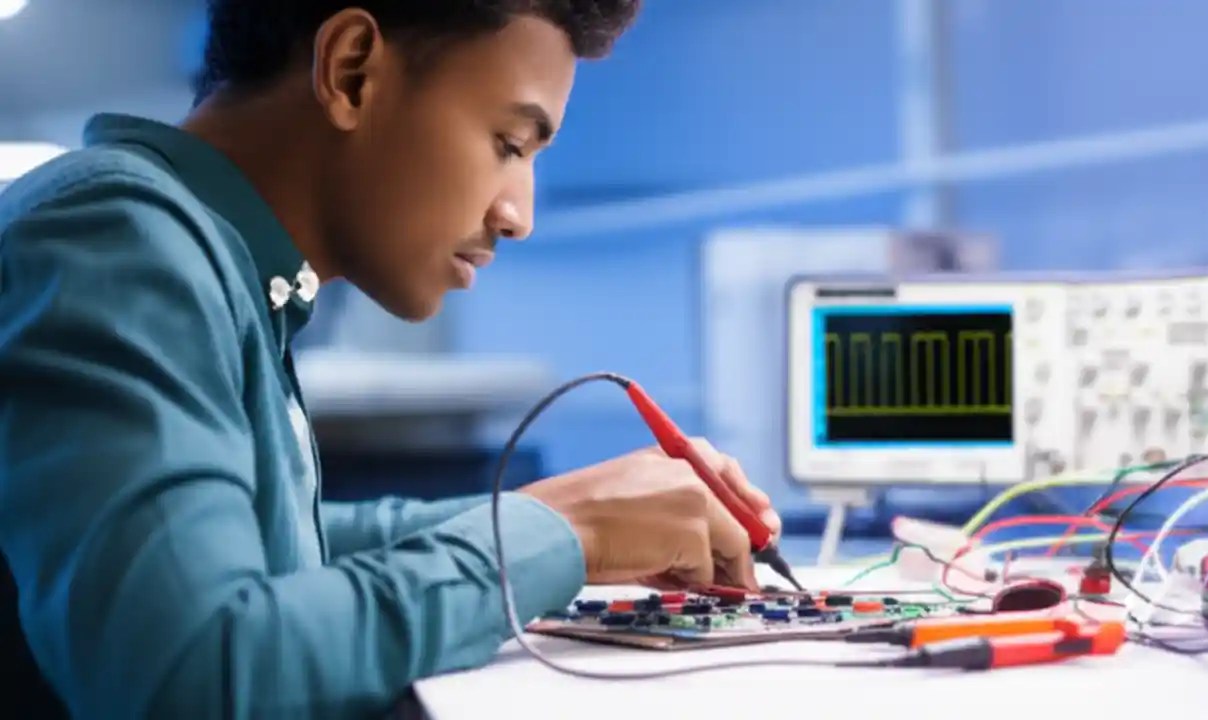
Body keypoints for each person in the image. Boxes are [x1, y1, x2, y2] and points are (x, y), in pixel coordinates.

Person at [0, 2, 784, 718]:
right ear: (351, 71)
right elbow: (196, 672)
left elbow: (291, 543)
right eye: (509, 143)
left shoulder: (216, 263)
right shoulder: (121, 239)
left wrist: (587, 527)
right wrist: (566, 532)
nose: (520, 216)